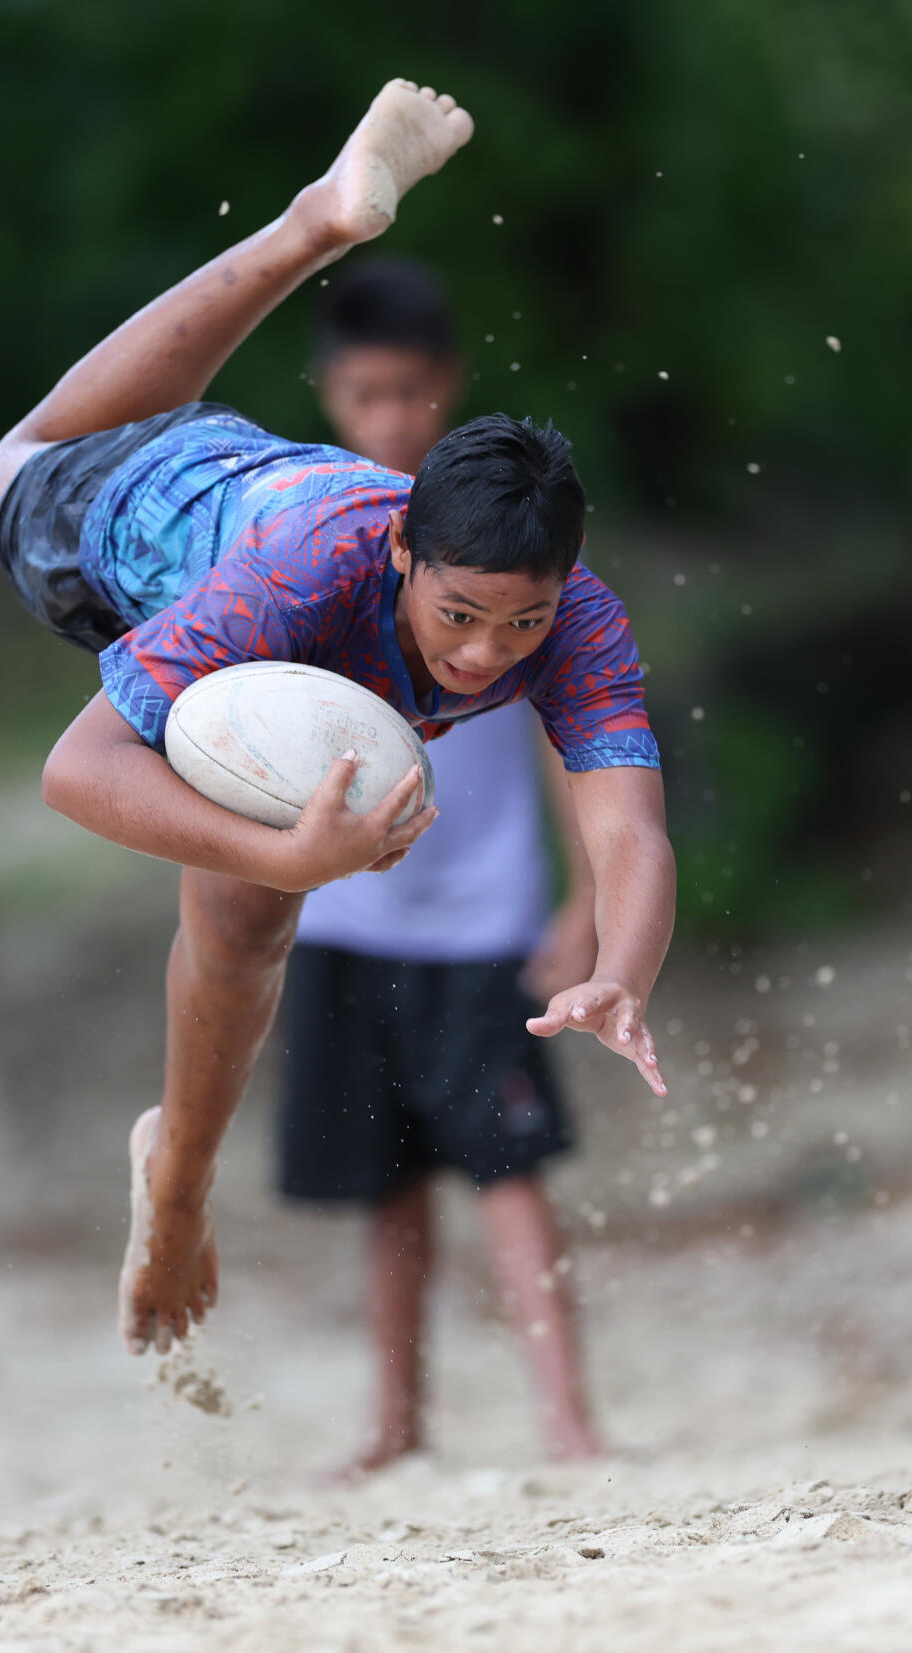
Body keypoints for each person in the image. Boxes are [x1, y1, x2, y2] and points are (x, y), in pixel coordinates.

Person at [0, 80, 676, 1361]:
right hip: (120, 520)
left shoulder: (580, 621)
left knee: (247, 905)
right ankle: (306, 226)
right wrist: (286, 856)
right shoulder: (304, 580)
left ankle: (312, 223)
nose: (483, 656)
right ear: (404, 551)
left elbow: (629, 834)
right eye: (459, 615)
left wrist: (621, 968)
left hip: (248, 468)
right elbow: (75, 770)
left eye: (520, 625)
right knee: (10, 467)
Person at [280, 259, 605, 1473]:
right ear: (327, 393)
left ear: (449, 385)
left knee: (508, 1172)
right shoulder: (309, 553)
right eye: (365, 393)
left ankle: (568, 1422)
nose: (388, 418)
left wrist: (582, 899)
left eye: (411, 391)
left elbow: (584, 739)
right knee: (386, 1185)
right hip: (344, 914)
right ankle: (394, 1427)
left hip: (481, 916)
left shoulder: (505, 546)